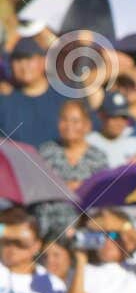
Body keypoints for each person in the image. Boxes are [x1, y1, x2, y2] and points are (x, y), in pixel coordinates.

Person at [37, 101, 111, 241]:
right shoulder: (45, 152)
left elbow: (105, 194)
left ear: (87, 125)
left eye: (75, 121)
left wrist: (84, 187)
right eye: (64, 120)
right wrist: (62, 187)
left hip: (84, 230)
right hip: (47, 229)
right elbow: (36, 187)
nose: (69, 125)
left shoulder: (98, 157)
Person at [0, 36, 70, 148]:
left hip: (57, 163)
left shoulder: (64, 95)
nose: (23, 66)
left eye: (29, 58)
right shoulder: (4, 100)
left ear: (43, 61)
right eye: (17, 60)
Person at [92, 89, 136, 165]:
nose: (119, 122)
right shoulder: (89, 142)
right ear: (102, 115)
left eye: (124, 117)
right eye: (114, 117)